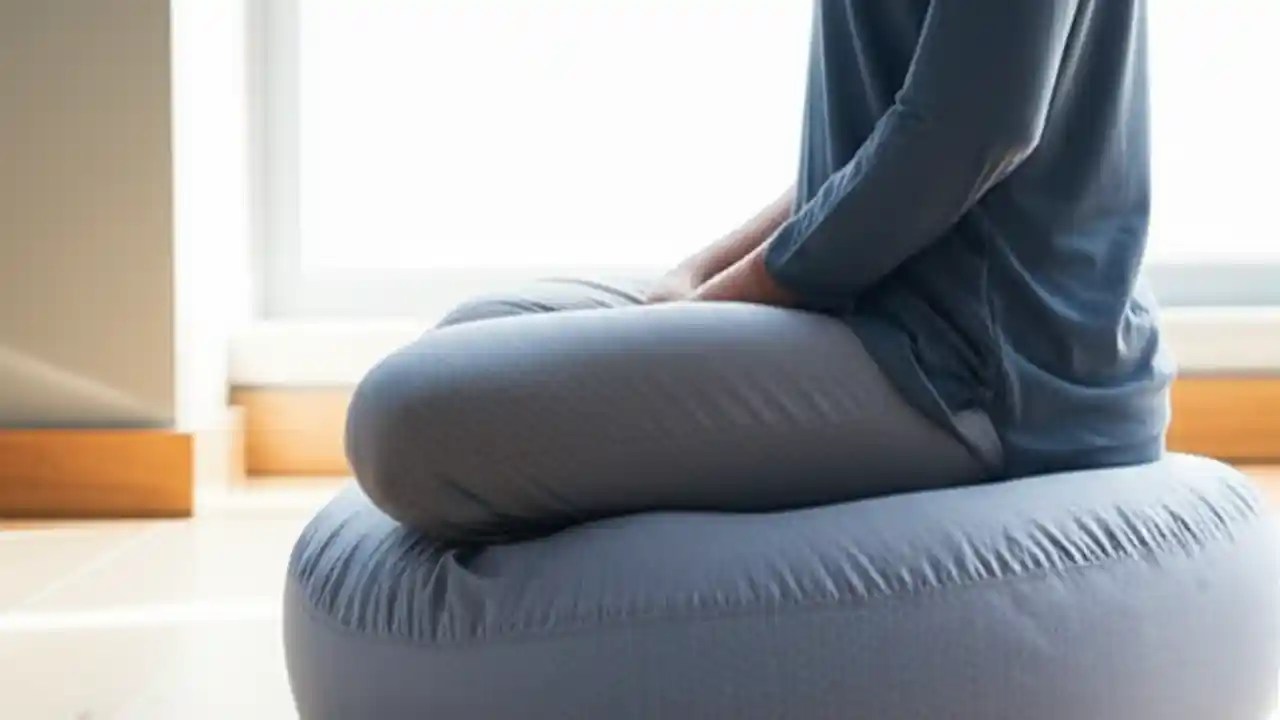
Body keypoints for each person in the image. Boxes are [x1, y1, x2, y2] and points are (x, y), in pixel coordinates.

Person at [347, 0, 1173, 543]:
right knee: (479, 332)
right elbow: (890, 140)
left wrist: (724, 301)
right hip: (885, 315)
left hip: (987, 370)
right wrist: (692, 278)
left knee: (408, 420)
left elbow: (970, 131)